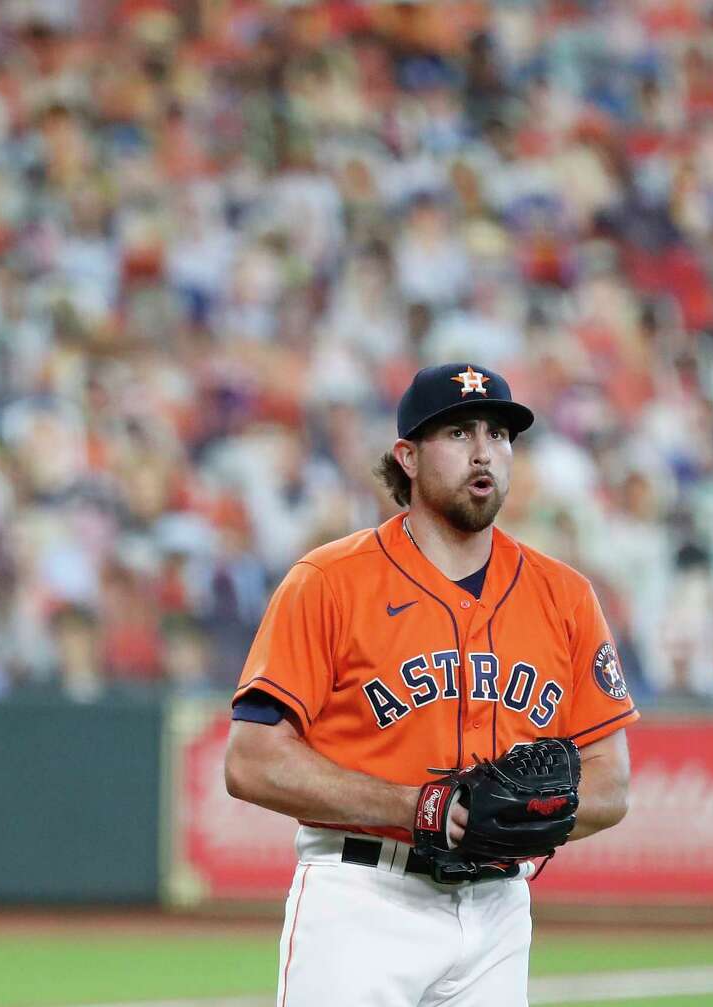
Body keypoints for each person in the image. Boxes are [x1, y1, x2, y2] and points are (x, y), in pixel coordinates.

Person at [224, 362, 636, 1006]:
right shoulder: (329, 581)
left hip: (499, 906)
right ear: (407, 457)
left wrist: (533, 819)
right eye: (459, 433)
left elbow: (612, 781)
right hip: (362, 899)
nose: (484, 452)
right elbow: (250, 762)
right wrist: (420, 808)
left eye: (498, 434)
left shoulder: (565, 597)